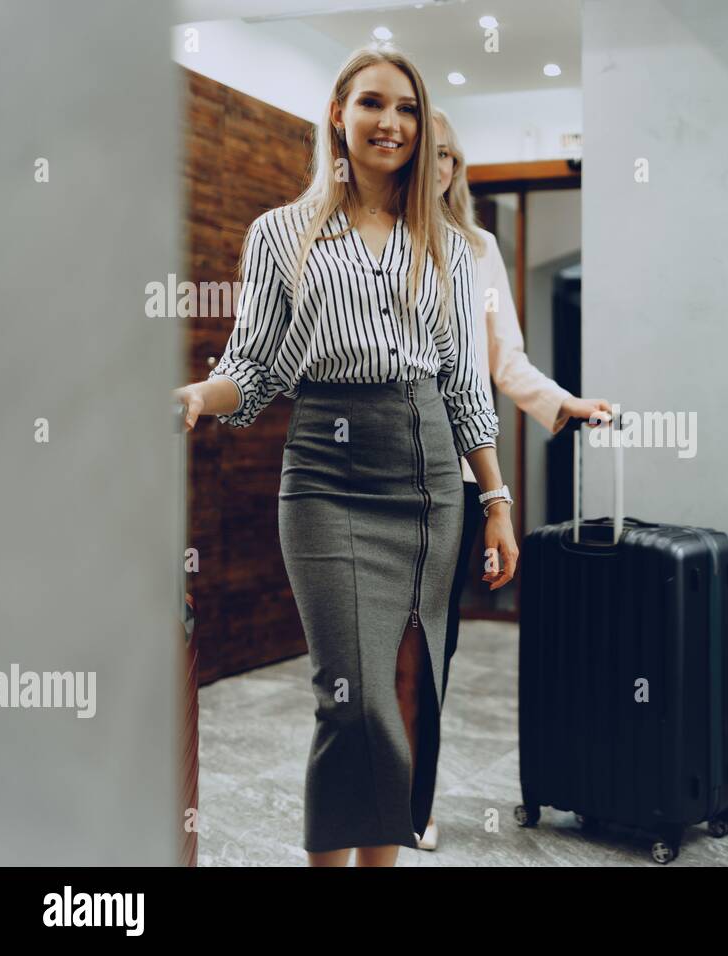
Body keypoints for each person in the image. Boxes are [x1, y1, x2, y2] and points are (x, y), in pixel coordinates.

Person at [171, 46, 515, 867]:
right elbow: (251, 367)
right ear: (338, 114)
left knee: (400, 698)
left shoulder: (451, 245)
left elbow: (467, 384)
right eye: (372, 103)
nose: (389, 123)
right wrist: (195, 396)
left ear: (422, 123)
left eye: (405, 108)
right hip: (324, 470)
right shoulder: (280, 233)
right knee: (347, 697)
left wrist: (496, 501)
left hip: (430, 473)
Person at [430, 109, 612, 762]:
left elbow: (504, 359)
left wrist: (565, 403)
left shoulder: (478, 250)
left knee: (433, 637)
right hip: (364, 471)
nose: (439, 165)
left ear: (458, 168)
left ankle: (412, 801)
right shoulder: (363, 237)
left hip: (449, 471)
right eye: (431, 150)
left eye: (450, 155)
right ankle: (369, 793)